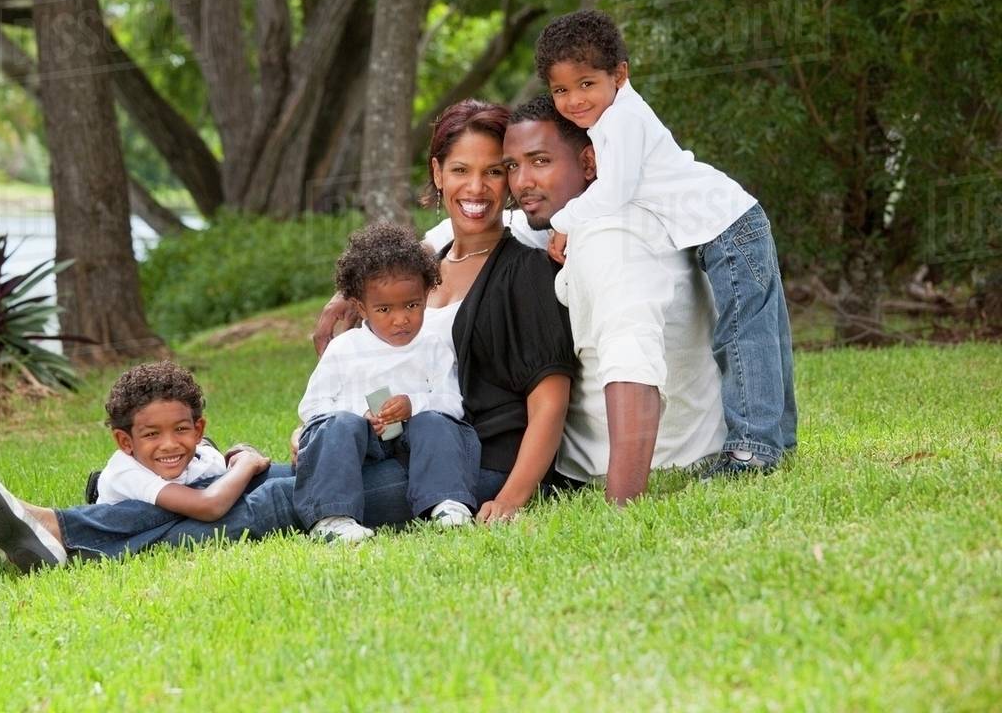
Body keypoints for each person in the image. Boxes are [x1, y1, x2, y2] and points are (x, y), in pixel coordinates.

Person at [534, 9, 797, 477]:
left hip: (728, 227)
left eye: (586, 84)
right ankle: (776, 440)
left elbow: (615, 191)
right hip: (734, 222)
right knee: (762, 331)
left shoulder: (621, 122)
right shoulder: (614, 119)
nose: (574, 100)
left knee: (742, 334)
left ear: (620, 74)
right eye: (561, 90)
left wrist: (565, 220)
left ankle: (753, 449)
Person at [313, 99, 579, 526]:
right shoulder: (420, 270)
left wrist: (512, 496)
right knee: (289, 479)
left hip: (479, 464)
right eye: (460, 171)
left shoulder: (525, 271)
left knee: (281, 500)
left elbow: (550, 401)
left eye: (494, 171)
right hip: (403, 449)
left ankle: (173, 518)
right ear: (438, 174)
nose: (476, 188)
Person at [500, 95, 727, 497]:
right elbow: (491, 226)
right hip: (603, 460)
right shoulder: (574, 217)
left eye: (539, 161)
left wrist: (621, 506)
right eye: (512, 167)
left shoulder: (612, 238)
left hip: (649, 466)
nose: (521, 183)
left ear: (589, 163)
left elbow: (632, 363)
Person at [0, 361, 298, 573]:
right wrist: (247, 463)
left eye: (181, 430)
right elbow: (209, 506)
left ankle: (43, 535)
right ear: (126, 442)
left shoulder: (203, 456)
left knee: (270, 482)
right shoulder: (125, 470)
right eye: (152, 434)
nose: (169, 444)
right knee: (224, 497)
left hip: (175, 517)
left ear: (199, 430)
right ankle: (53, 526)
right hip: (139, 533)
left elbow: (217, 473)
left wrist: (239, 457)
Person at [295, 222, 481, 542]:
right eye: (384, 309)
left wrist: (414, 405)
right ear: (361, 308)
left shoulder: (432, 346)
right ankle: (332, 519)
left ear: (426, 295)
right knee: (336, 425)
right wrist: (359, 414)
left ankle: (447, 503)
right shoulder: (345, 348)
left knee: (440, 423)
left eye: (412, 305)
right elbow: (312, 407)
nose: (401, 319)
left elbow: (453, 401)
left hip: (414, 443)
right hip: (360, 442)